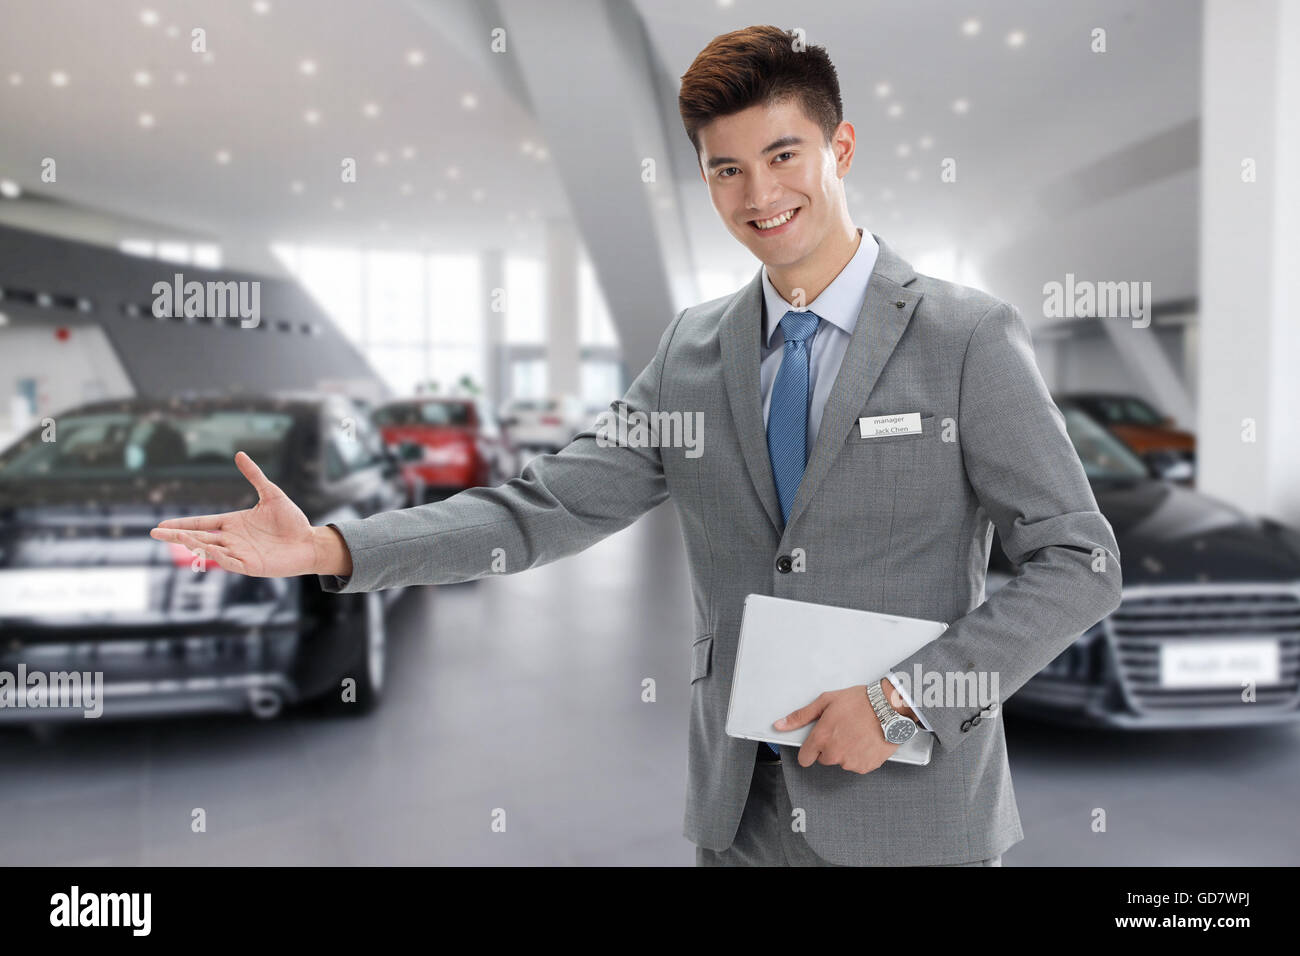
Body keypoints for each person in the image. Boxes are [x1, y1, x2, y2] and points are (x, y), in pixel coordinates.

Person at [151, 24, 1122, 867]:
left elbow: (1078, 561)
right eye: (724, 167)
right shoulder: (693, 350)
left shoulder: (963, 336)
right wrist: (330, 546)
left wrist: (906, 698)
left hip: (915, 818)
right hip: (737, 814)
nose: (758, 193)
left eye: (784, 155)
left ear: (842, 148)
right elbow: (544, 508)